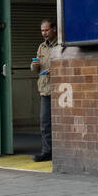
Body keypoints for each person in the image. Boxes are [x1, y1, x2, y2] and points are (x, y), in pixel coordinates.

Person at [30, 19, 57, 162]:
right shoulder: (41, 47)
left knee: (59, 122)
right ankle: (47, 151)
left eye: (46, 30)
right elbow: (35, 69)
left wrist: (52, 70)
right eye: (42, 31)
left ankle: (60, 151)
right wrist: (34, 65)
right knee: (45, 122)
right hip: (45, 89)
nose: (44, 33)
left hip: (58, 89)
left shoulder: (60, 45)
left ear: (54, 29)